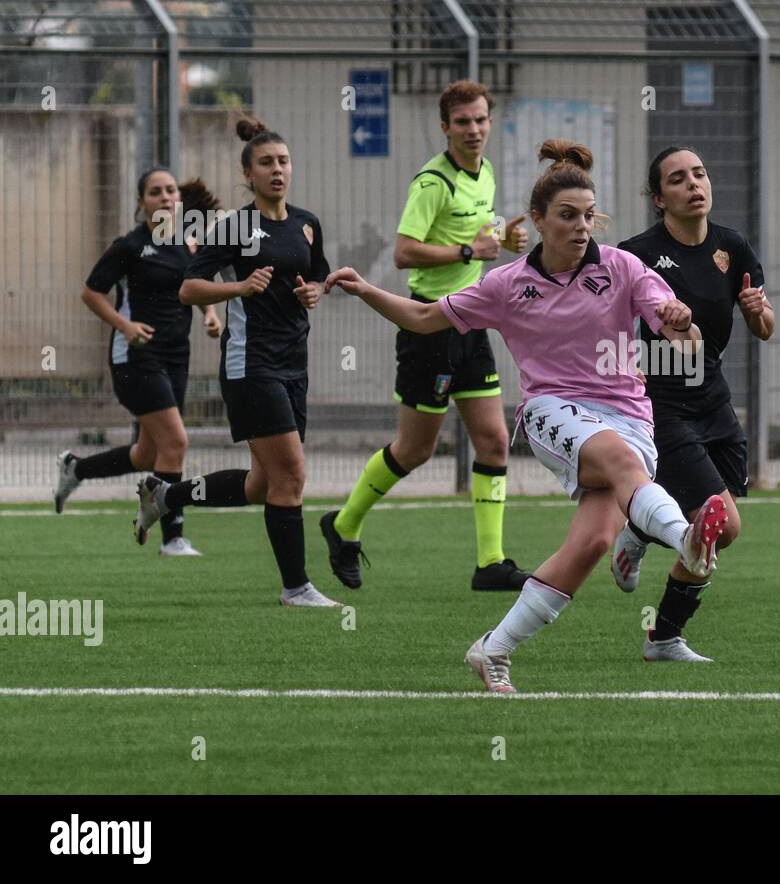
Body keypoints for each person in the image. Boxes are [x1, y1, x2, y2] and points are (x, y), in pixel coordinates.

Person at [324, 140, 730, 691]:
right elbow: (423, 317)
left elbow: (686, 344)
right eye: (567, 216)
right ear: (537, 220)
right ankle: (683, 539)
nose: (581, 226)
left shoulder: (623, 268)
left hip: (630, 418)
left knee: (588, 546)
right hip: (552, 413)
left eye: (589, 215)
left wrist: (681, 322)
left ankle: (493, 648)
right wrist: (365, 288)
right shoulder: (506, 284)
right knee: (615, 462)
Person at [320, 79, 529, 592]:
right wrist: (468, 254)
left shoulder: (487, 174)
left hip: (469, 321)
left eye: (481, 120)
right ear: (445, 128)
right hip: (426, 323)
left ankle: (490, 563)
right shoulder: (433, 181)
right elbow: (404, 252)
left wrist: (504, 240)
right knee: (414, 451)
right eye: (463, 122)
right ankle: (343, 524)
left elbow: (476, 241)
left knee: (494, 440)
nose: (474, 130)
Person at [132, 116, 340, 607]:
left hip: (294, 363)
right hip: (251, 366)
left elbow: (316, 277)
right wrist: (239, 287)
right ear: (248, 174)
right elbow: (188, 288)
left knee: (261, 484)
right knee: (291, 477)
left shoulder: (306, 224)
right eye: (266, 163)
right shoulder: (236, 228)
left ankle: (165, 497)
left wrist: (314, 292)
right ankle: (296, 588)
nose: (277, 170)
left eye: (284, 162)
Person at [610, 147, 774, 662]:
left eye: (700, 174)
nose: (693, 185)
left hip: (715, 400)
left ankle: (638, 530)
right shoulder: (635, 254)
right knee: (720, 524)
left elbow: (765, 329)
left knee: (714, 530)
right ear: (660, 199)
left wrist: (757, 311)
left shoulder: (733, 246)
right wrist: (621, 362)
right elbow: (607, 318)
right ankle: (664, 637)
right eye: (678, 180)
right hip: (661, 402)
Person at [53, 168, 222, 557]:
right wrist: (125, 326)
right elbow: (91, 293)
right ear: (142, 202)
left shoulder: (191, 246)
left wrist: (210, 316)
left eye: (170, 191)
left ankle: (75, 469)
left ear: (179, 200)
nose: (165, 197)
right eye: (155, 192)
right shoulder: (129, 246)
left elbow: (193, 291)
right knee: (176, 441)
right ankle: (172, 537)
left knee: (149, 454)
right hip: (134, 356)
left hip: (176, 356)